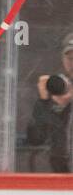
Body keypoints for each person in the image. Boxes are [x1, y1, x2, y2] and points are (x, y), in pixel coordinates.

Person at [26, 32, 73, 173]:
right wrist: (45, 101)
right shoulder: (57, 89)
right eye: (70, 58)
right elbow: (36, 139)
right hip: (58, 178)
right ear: (63, 60)